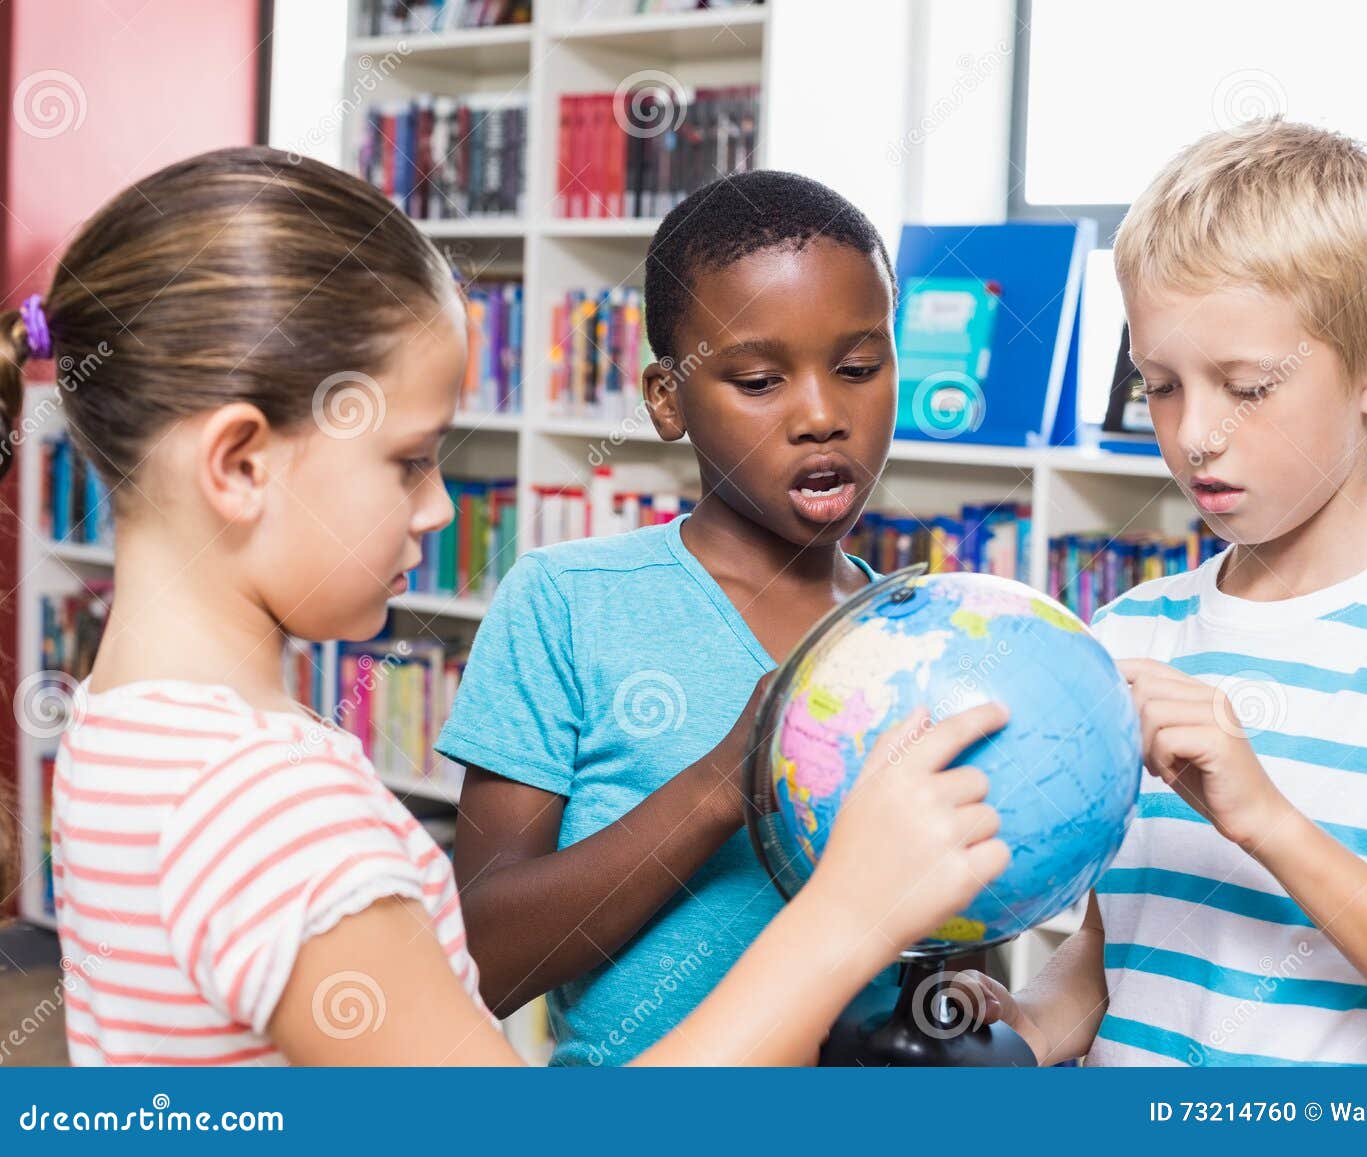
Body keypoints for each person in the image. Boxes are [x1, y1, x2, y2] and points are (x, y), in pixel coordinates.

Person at [40, 147, 1009, 1065]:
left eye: (859, 366)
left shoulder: (131, 738)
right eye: (410, 460)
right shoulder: (268, 806)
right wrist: (835, 906)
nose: (439, 506)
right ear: (240, 463)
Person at [961, 119, 1367, 1066]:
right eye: (1161, 385)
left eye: (1248, 387)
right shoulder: (1129, 632)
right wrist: (1027, 1025)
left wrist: (1270, 824)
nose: (1195, 435)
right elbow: (1112, 944)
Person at [438, 170, 919, 1065]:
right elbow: (485, 960)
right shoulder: (565, 602)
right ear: (668, 397)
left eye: (858, 368)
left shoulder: (919, 632)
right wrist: (722, 783)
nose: (823, 415)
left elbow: (938, 940)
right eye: (760, 379)